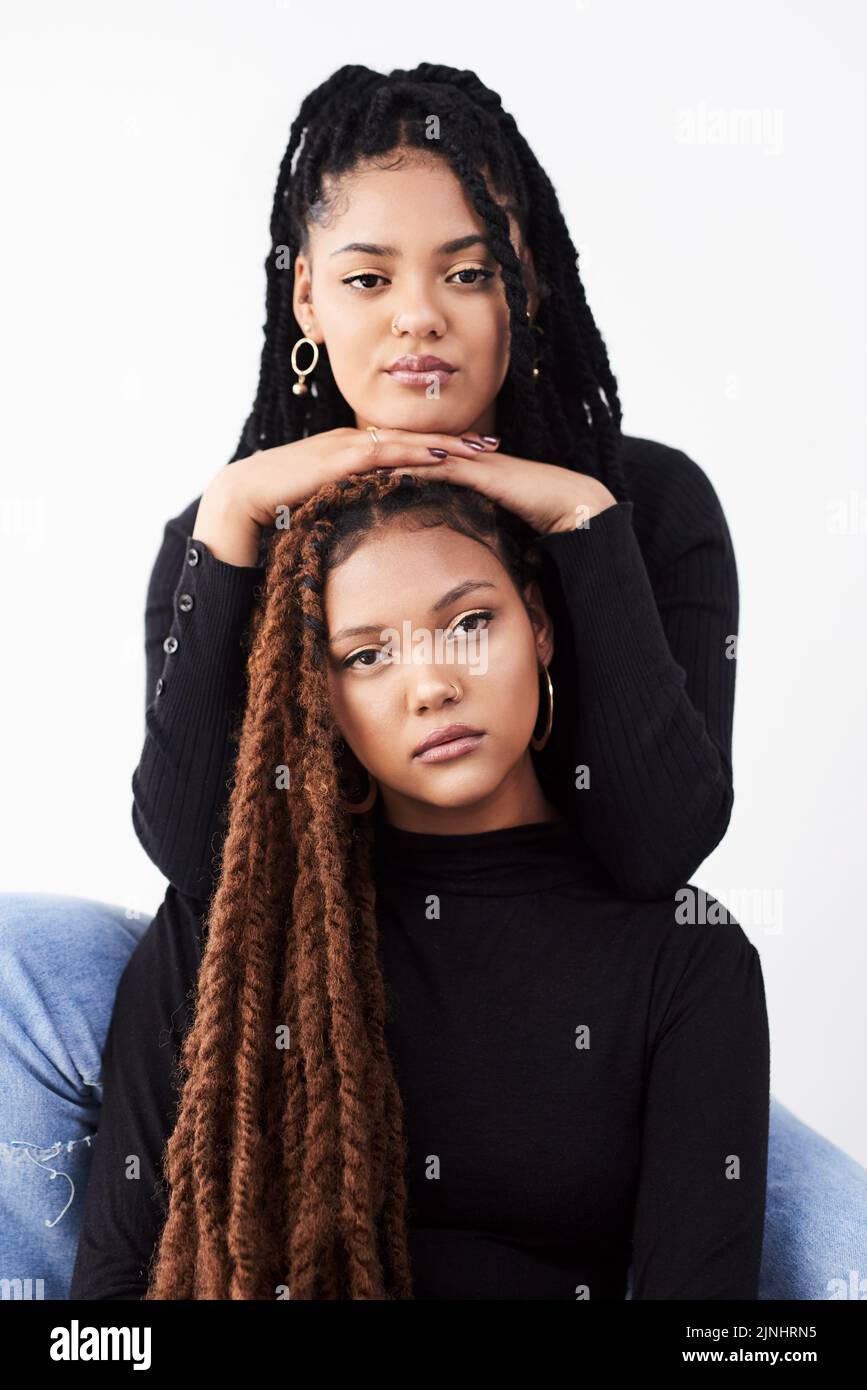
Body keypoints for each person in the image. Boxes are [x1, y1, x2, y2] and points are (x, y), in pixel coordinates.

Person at [1, 62, 865, 1301]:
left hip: (593, 1046)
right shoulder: (232, 531)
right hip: (299, 975)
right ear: (307, 293)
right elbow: (203, 859)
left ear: (527, 278)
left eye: (468, 271)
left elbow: (656, 843)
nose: (421, 316)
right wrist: (239, 518)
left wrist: (581, 525)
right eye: (368, 277)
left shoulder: (647, 507)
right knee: (27, 959)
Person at [71, 471, 770, 1299]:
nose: (432, 684)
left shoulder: (688, 954)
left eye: (470, 623)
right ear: (316, 697)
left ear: (539, 628)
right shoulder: (231, 933)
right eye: (366, 656)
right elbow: (113, 1296)